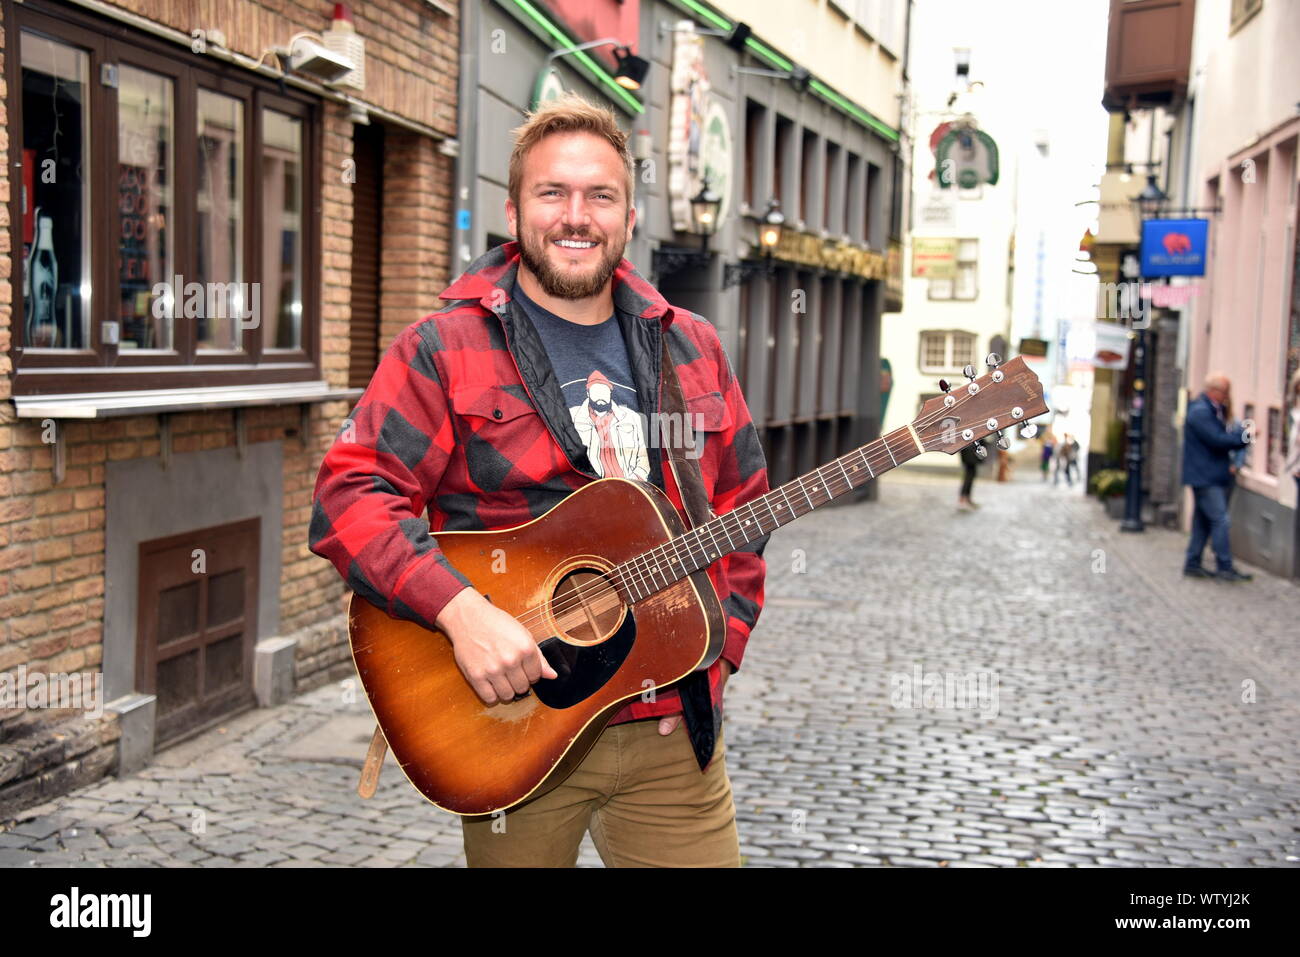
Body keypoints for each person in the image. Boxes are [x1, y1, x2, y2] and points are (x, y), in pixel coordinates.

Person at [309, 94, 770, 867]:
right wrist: (459, 611)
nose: (575, 215)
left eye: (600, 195)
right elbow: (349, 493)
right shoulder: (444, 346)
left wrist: (715, 655)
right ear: (514, 208)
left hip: (668, 736)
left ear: (629, 215)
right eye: (552, 192)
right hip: (511, 725)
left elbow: (745, 510)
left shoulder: (690, 346)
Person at [1182, 372, 1251, 581]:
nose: (1228, 396)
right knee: (1220, 520)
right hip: (1206, 477)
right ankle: (1224, 566)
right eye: (1226, 392)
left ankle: (1193, 562)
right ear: (1215, 391)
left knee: (1202, 521)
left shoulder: (1211, 410)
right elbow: (1218, 439)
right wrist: (1245, 436)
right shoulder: (1201, 412)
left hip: (1209, 475)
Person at [958, 436, 986, 510]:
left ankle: (967, 498)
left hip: (970, 449)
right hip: (969, 450)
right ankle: (963, 499)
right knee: (969, 475)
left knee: (971, 474)